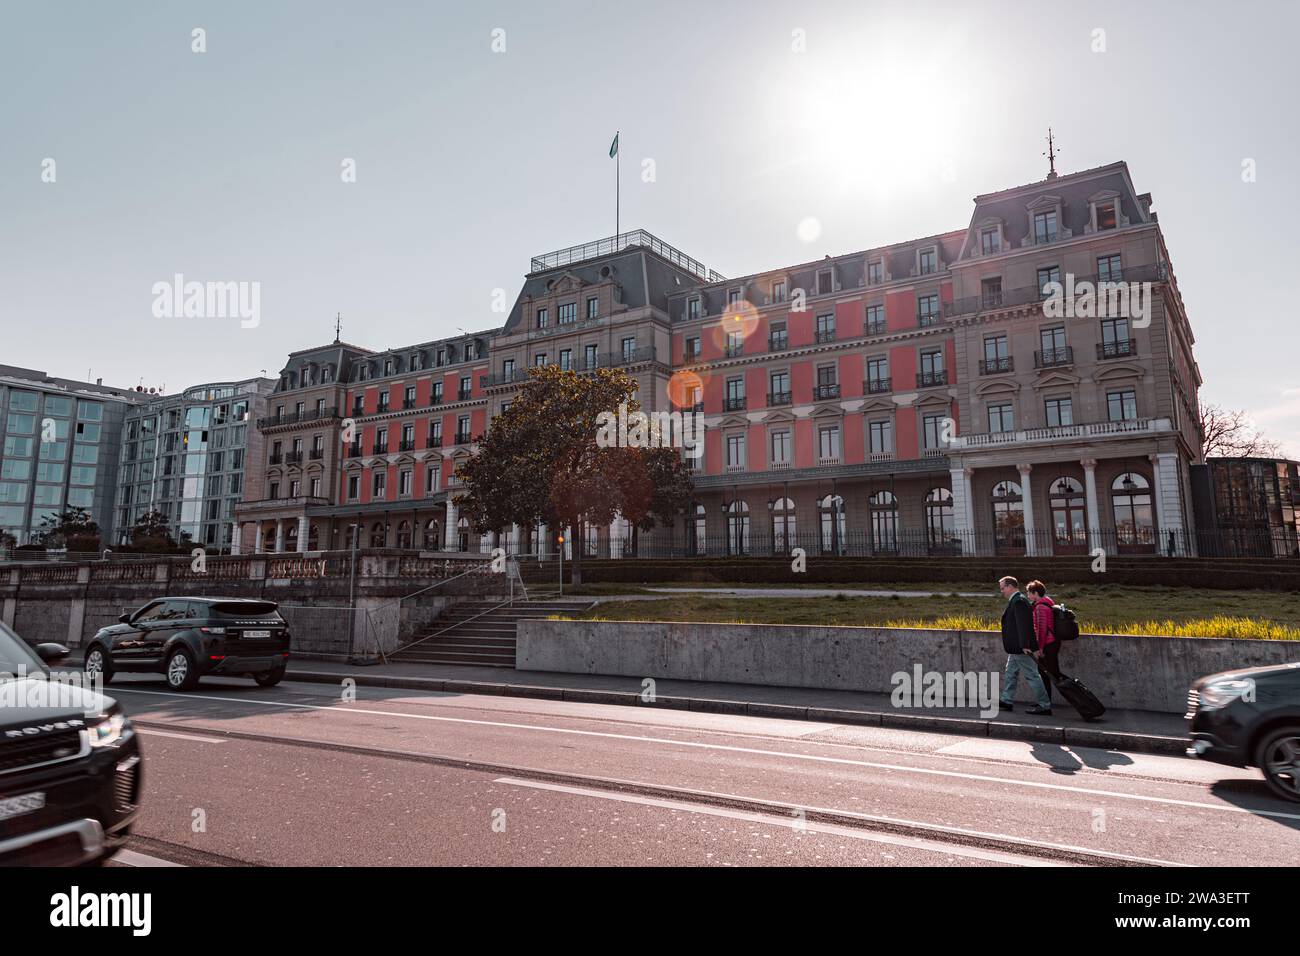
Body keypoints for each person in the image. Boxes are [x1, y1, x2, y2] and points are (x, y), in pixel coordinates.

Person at [997, 575, 1052, 715]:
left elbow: (1024, 626)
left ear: (1010, 587)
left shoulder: (1019, 601)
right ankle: (1007, 700)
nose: (1001, 591)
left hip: (1021, 647)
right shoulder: (1017, 600)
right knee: (1010, 673)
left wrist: (1025, 645)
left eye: (1003, 588)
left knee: (1032, 675)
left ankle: (1045, 705)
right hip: (1016, 648)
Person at [1026, 580, 1063, 699]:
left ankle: (1046, 703)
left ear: (1035, 593)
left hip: (1048, 644)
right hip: (1053, 642)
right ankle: (1046, 702)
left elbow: (1042, 629)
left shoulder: (1040, 607)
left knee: (1047, 674)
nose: (1028, 596)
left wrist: (1040, 648)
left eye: (1029, 593)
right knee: (1051, 673)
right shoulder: (1048, 602)